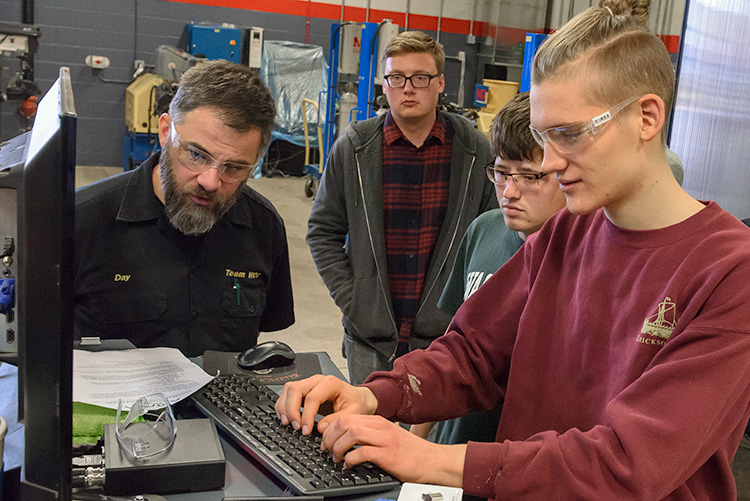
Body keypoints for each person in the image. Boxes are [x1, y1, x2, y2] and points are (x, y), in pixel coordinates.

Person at [276, 1, 750, 498]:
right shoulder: (565, 235)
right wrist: (372, 396)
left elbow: (628, 463)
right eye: (545, 137)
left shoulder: (729, 271)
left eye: (568, 135)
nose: (549, 162)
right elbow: (473, 354)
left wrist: (433, 459)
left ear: (647, 117)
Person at [307, 30, 497, 385]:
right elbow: (323, 231)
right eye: (397, 77)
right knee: (368, 434)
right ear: (385, 84)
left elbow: (492, 240)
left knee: (429, 440)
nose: (408, 88)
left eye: (420, 78)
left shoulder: (473, 151)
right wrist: (356, 302)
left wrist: (463, 314)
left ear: (440, 83)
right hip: (369, 338)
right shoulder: (355, 148)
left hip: (444, 341)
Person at [74, 60, 294, 357]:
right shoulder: (82, 220)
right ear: (166, 132)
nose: (211, 181)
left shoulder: (264, 227)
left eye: (234, 167)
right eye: (196, 155)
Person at [411, 92, 566, 447]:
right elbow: (453, 345)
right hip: (454, 446)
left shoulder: (581, 260)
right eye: (500, 172)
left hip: (515, 455)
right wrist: (417, 438)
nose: (510, 191)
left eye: (529, 177)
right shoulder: (483, 229)